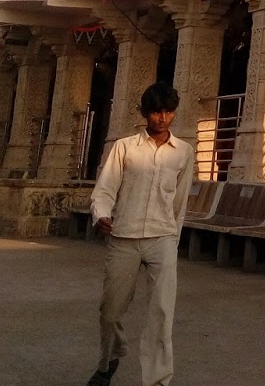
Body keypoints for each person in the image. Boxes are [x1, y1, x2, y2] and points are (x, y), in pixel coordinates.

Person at [86, 82, 195, 386]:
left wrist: (173, 239)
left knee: (162, 313)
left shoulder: (184, 152)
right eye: (156, 112)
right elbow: (105, 189)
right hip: (124, 237)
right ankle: (109, 360)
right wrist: (102, 215)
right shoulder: (125, 147)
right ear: (145, 113)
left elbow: (180, 203)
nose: (162, 118)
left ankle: (159, 380)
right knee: (110, 310)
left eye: (168, 111)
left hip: (163, 238)